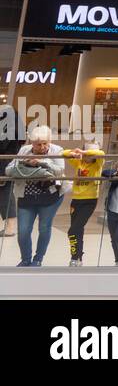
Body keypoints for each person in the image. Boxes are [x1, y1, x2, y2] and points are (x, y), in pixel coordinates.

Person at [5, 125, 64, 266]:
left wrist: (42, 163)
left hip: (50, 197)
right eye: (38, 144)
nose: (43, 147)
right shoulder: (25, 150)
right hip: (26, 197)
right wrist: (25, 163)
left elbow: (59, 170)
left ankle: (38, 259)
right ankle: (25, 259)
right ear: (32, 143)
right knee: (23, 231)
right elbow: (9, 169)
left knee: (44, 228)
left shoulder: (57, 150)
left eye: (45, 143)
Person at [61, 141, 104, 266]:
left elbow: (101, 153)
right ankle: (77, 257)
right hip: (76, 200)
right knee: (78, 230)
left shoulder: (98, 164)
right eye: (88, 151)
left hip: (90, 201)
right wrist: (76, 153)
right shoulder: (78, 162)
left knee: (72, 230)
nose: (91, 155)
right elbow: (63, 153)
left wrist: (85, 152)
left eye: (92, 152)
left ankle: (75, 257)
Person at [0, 104, 22, 238]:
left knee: (6, 195)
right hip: (7, 164)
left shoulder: (9, 130)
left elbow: (2, 145)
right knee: (5, 194)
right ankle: (9, 226)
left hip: (4, 166)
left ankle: (10, 227)